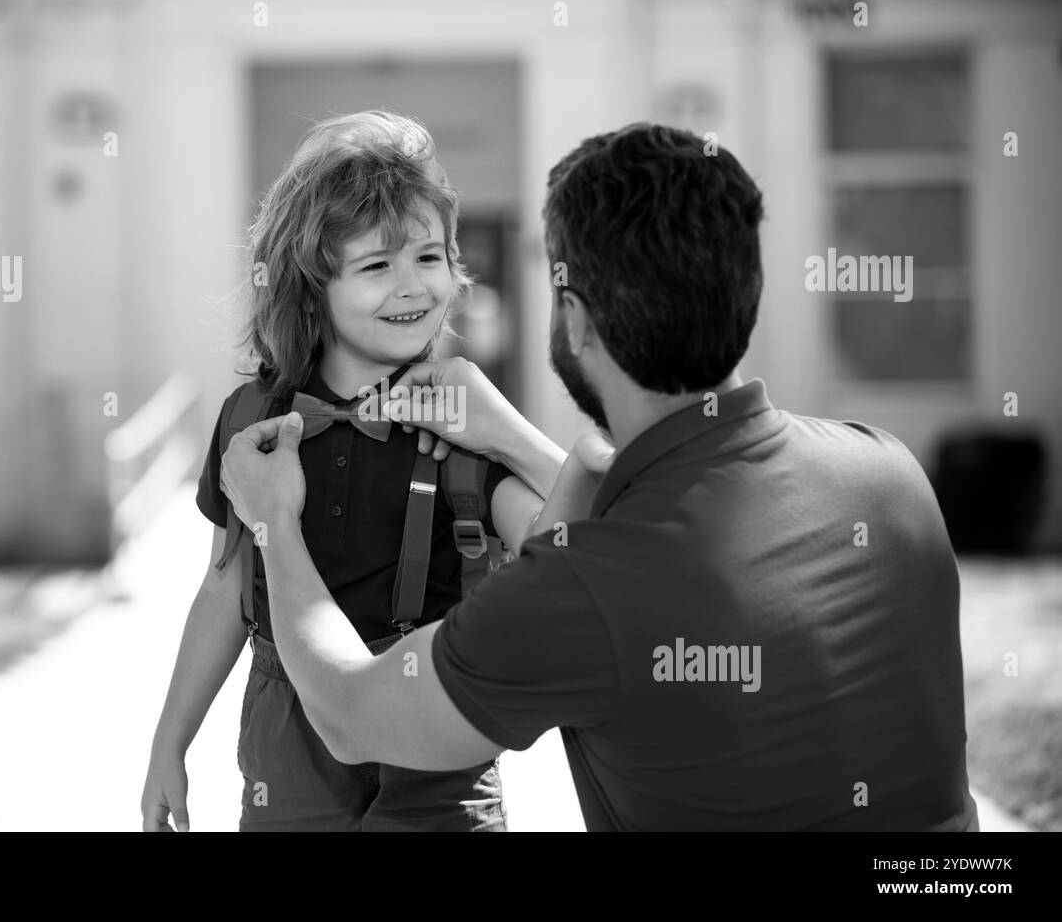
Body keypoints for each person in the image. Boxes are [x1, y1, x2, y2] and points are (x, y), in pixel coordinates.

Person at [218, 122, 979, 831]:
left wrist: (273, 521)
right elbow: (639, 503)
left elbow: (349, 714)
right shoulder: (889, 472)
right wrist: (508, 433)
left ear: (576, 320)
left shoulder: (579, 585)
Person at [142, 110, 576, 832]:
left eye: (429, 257)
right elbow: (223, 590)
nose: (412, 287)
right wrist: (169, 740)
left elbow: (582, 541)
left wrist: (506, 429)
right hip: (289, 735)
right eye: (377, 265)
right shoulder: (253, 418)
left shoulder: (460, 420)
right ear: (313, 286)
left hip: (436, 728)